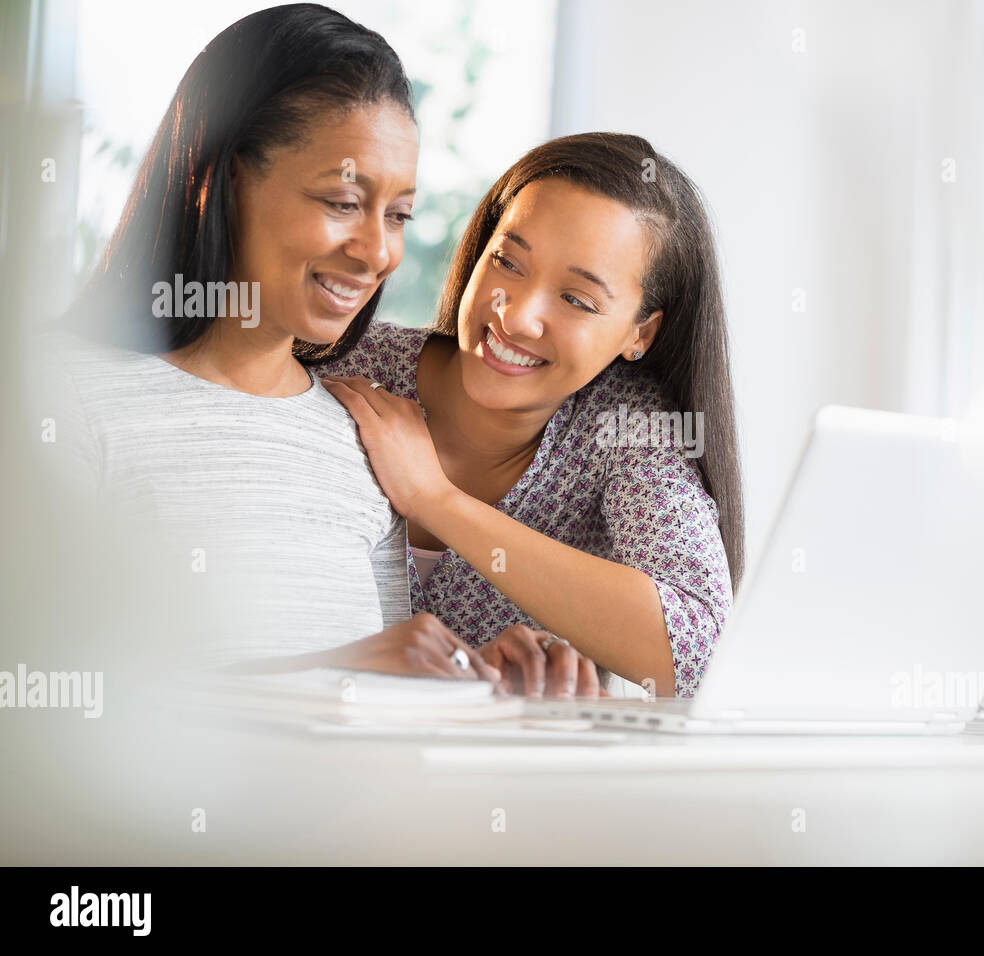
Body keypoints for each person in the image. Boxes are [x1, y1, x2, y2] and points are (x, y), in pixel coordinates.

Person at [40, 4, 603, 695]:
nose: (377, 253)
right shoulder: (55, 393)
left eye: (397, 215)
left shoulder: (362, 440)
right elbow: (44, 704)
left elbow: (367, 708)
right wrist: (327, 672)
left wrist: (477, 687)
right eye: (342, 201)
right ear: (220, 180)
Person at [320, 133, 744, 698]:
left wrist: (435, 500)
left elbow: (697, 650)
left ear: (639, 332)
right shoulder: (342, 364)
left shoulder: (623, 430)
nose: (517, 317)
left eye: (578, 300)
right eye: (508, 262)